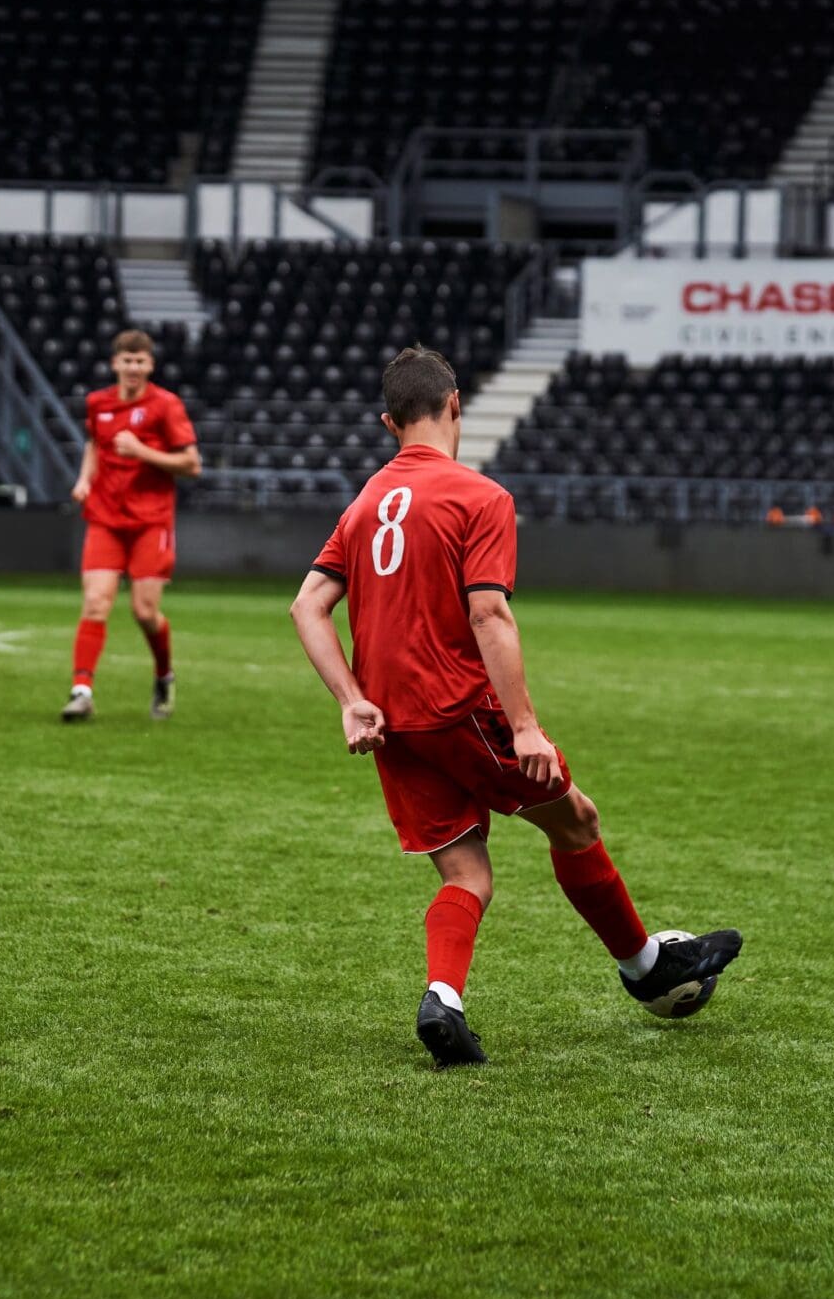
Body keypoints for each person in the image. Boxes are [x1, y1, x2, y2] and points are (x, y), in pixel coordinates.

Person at [289, 346, 741, 1068]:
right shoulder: (479, 496)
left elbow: (307, 606)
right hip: (462, 710)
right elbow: (490, 616)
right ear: (457, 405)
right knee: (577, 821)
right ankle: (647, 970)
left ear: (388, 422)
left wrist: (351, 701)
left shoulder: (367, 501)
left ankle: (445, 999)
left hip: (394, 723)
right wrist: (524, 726)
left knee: (467, 873)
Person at [63, 328, 200, 722]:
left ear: (150, 365)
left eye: (140, 361)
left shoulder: (165, 406)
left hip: (150, 521)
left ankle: (163, 674)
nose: (133, 367)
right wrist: (84, 478)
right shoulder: (97, 403)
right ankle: (81, 690)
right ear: (115, 363)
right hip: (105, 517)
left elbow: (192, 464)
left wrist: (142, 451)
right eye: (127, 360)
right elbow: (94, 443)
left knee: (144, 612)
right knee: (95, 603)